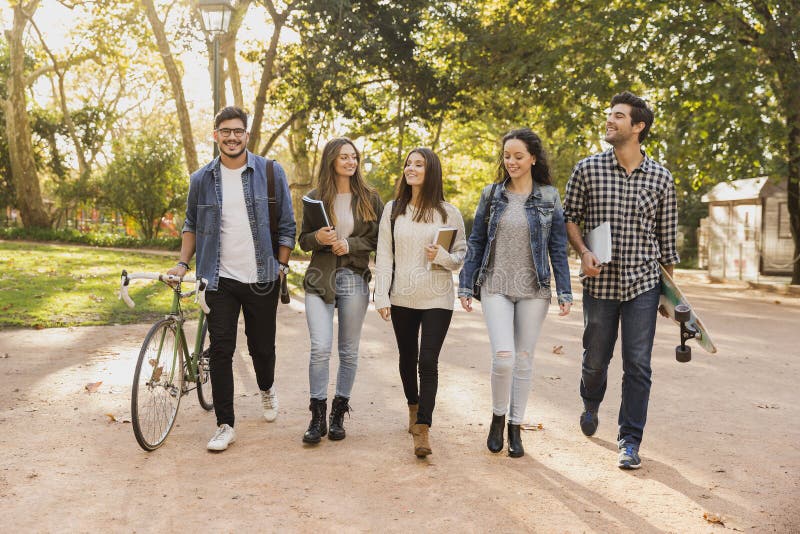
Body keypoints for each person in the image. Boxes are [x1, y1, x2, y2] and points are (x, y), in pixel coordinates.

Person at [168, 106, 296, 451]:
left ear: (246, 135)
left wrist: (281, 267)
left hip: (261, 278)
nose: (232, 137)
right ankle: (225, 423)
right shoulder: (201, 180)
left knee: (261, 348)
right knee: (221, 350)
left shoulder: (270, 172)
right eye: (225, 131)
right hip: (218, 279)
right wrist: (182, 264)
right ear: (215, 136)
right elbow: (191, 225)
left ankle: (266, 388)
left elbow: (287, 225)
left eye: (238, 131)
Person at [563, 91, 679, 469]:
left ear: (638, 126)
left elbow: (666, 241)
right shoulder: (588, 169)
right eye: (609, 114)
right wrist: (583, 252)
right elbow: (570, 217)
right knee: (595, 359)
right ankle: (590, 402)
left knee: (638, 365)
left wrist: (668, 295)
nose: (609, 121)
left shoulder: (661, 177)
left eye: (618, 116)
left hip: (643, 284)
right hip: (600, 284)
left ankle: (629, 440)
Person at [458, 128, 572, 458]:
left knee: (523, 359)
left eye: (518, 156)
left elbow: (557, 247)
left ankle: (515, 426)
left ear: (533, 158)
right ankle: (497, 417)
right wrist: (467, 283)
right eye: (507, 156)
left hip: (534, 289)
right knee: (503, 357)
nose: (511, 162)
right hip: (495, 285)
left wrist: (564, 291)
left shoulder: (549, 196)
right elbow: (476, 240)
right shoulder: (491, 194)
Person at [374, 147, 466, 458]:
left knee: (427, 360)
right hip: (402, 296)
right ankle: (413, 408)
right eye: (408, 164)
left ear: (431, 172)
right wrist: (381, 295)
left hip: (438, 296)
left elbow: (460, 256)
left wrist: (441, 256)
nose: (411, 168)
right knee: (407, 357)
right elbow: (385, 256)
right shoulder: (392, 210)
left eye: (419, 164)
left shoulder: (448, 212)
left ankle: (423, 427)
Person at [297, 138, 383, 444]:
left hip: (354, 277)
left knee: (347, 350)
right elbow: (303, 240)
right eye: (344, 157)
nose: (350, 162)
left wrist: (351, 244)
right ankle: (316, 416)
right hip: (319, 279)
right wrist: (317, 237)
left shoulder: (370, 198)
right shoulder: (315, 198)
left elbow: (379, 241)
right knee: (320, 347)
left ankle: (337, 414)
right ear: (332, 160)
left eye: (354, 157)